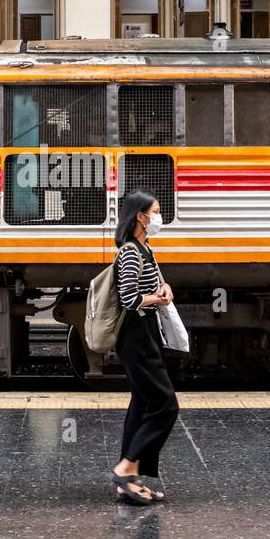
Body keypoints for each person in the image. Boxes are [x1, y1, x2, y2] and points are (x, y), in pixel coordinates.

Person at [108, 190, 179, 504]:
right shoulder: (130, 252)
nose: (159, 218)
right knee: (165, 405)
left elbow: (150, 285)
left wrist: (163, 288)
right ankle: (125, 468)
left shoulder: (144, 248)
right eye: (156, 211)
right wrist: (157, 298)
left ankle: (130, 480)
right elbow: (130, 298)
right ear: (141, 216)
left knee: (141, 403)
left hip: (146, 331)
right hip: (136, 335)